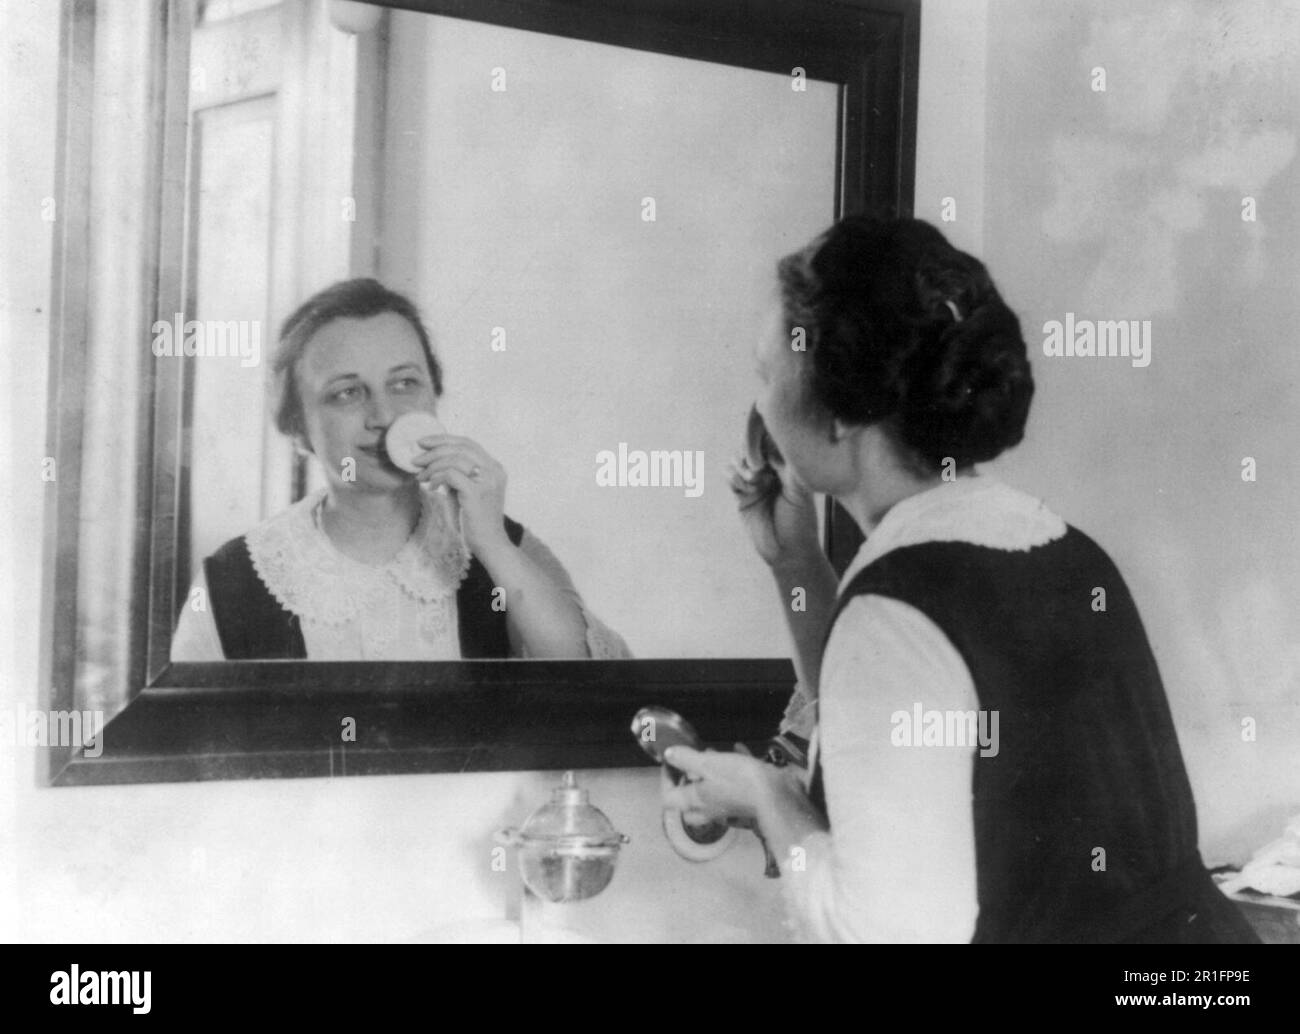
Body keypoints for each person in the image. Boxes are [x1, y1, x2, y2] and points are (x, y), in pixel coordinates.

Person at [662, 216, 1258, 944]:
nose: (758, 405)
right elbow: (890, 735)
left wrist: (766, 797)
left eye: (765, 374)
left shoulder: (897, 606)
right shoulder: (1055, 549)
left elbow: (886, 935)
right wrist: (796, 565)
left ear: (843, 410)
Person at [171, 278, 628, 662]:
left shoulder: (502, 543)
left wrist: (492, 545)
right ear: (297, 425)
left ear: (434, 392)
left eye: (405, 383)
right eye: (347, 393)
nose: (384, 416)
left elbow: (597, 689)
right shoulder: (233, 580)